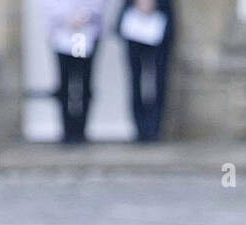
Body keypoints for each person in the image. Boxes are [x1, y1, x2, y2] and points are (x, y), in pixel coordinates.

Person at [42, 0, 107, 143]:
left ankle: (81, 129)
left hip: (86, 34)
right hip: (62, 34)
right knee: (64, 83)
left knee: (84, 82)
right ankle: (67, 129)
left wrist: (84, 15)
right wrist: (65, 17)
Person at [116, 0, 175, 142]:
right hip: (134, 24)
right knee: (135, 79)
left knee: (159, 79)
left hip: (159, 22)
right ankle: (140, 128)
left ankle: (154, 127)